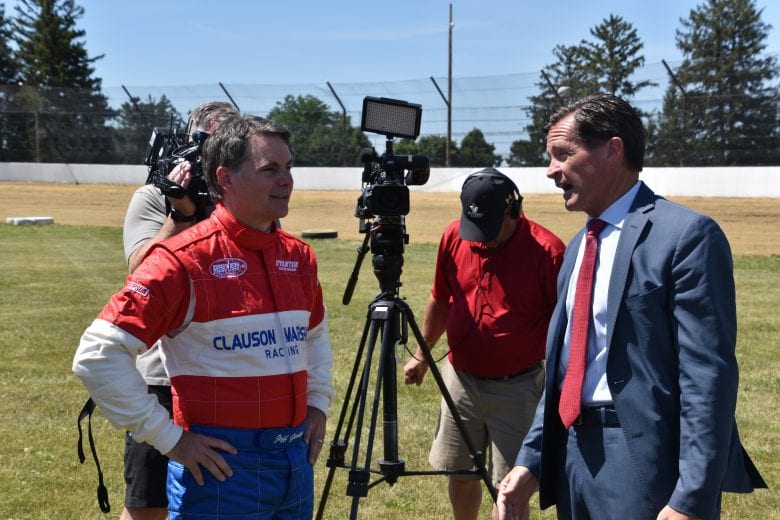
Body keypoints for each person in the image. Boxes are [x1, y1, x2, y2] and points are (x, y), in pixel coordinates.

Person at [494, 94, 766, 520]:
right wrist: (531, 461)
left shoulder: (686, 236)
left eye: (564, 154)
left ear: (612, 150)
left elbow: (707, 378)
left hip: (643, 463)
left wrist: (692, 496)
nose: (551, 171)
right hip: (573, 458)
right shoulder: (576, 249)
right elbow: (566, 370)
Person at [73, 115, 334, 519]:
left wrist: (317, 403)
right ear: (225, 178)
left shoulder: (298, 257)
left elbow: (314, 337)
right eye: (270, 169)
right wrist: (171, 440)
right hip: (222, 467)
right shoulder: (182, 260)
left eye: (288, 168)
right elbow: (97, 354)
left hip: (293, 460)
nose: (286, 180)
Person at [403, 167, 565, 520]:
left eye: (490, 230)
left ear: (514, 211)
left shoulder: (549, 252)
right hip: (459, 380)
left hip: (517, 386)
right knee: (459, 470)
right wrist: (421, 354)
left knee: (510, 487)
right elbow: (440, 299)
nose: (481, 240)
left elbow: (564, 327)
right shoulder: (454, 237)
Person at [119, 100, 238, 520]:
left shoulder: (238, 200)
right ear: (193, 143)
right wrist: (179, 215)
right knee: (149, 504)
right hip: (163, 377)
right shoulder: (152, 197)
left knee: (223, 499)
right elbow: (142, 270)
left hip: (224, 372)